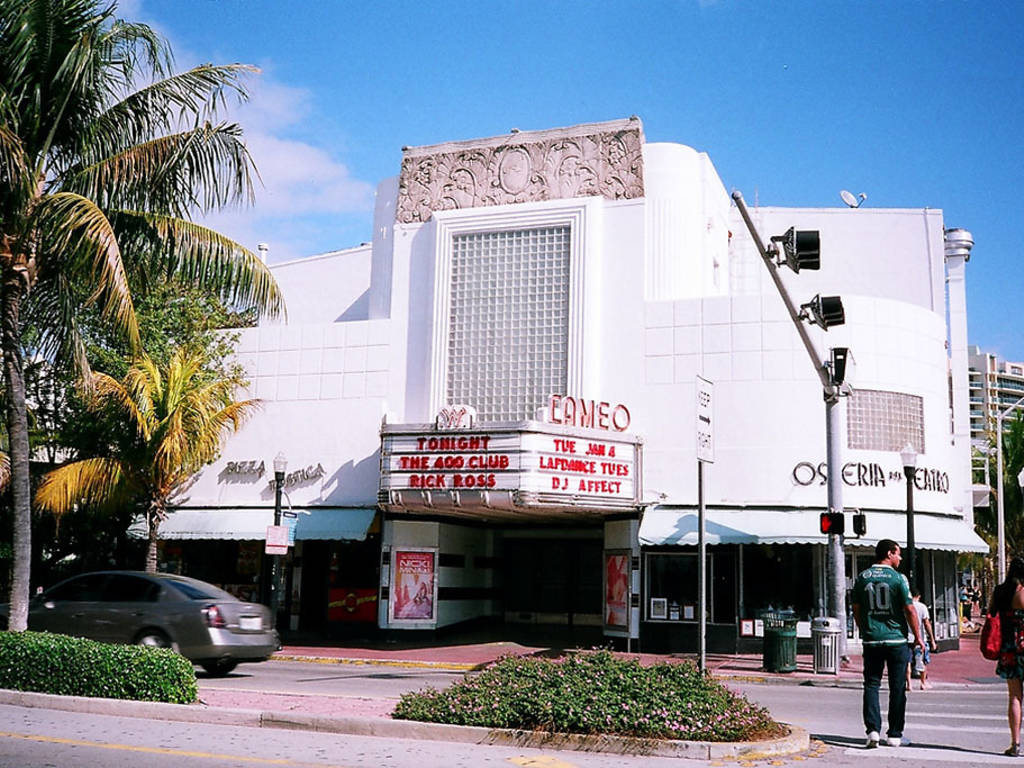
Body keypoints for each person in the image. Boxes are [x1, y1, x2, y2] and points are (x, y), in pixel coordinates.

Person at [851, 539, 924, 749]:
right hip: (896, 639)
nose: (900, 558)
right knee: (897, 687)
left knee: (871, 684)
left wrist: (864, 628)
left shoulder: (862, 577)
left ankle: (872, 730)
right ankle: (894, 734)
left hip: (872, 639)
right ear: (889, 554)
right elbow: (909, 609)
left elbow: (856, 608)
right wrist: (917, 636)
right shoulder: (898, 578)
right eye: (898, 554)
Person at [990, 557, 1024, 756]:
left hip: (1009, 649)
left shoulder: (1000, 591)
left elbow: (991, 612)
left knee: (1014, 697)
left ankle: (1015, 743)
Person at [905, 588, 937, 691]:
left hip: (907, 638)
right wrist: (932, 639)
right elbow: (926, 623)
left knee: (907, 662)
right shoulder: (922, 607)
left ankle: (909, 684)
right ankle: (923, 683)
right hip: (920, 638)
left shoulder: (904, 606)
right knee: (922, 661)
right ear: (918, 596)